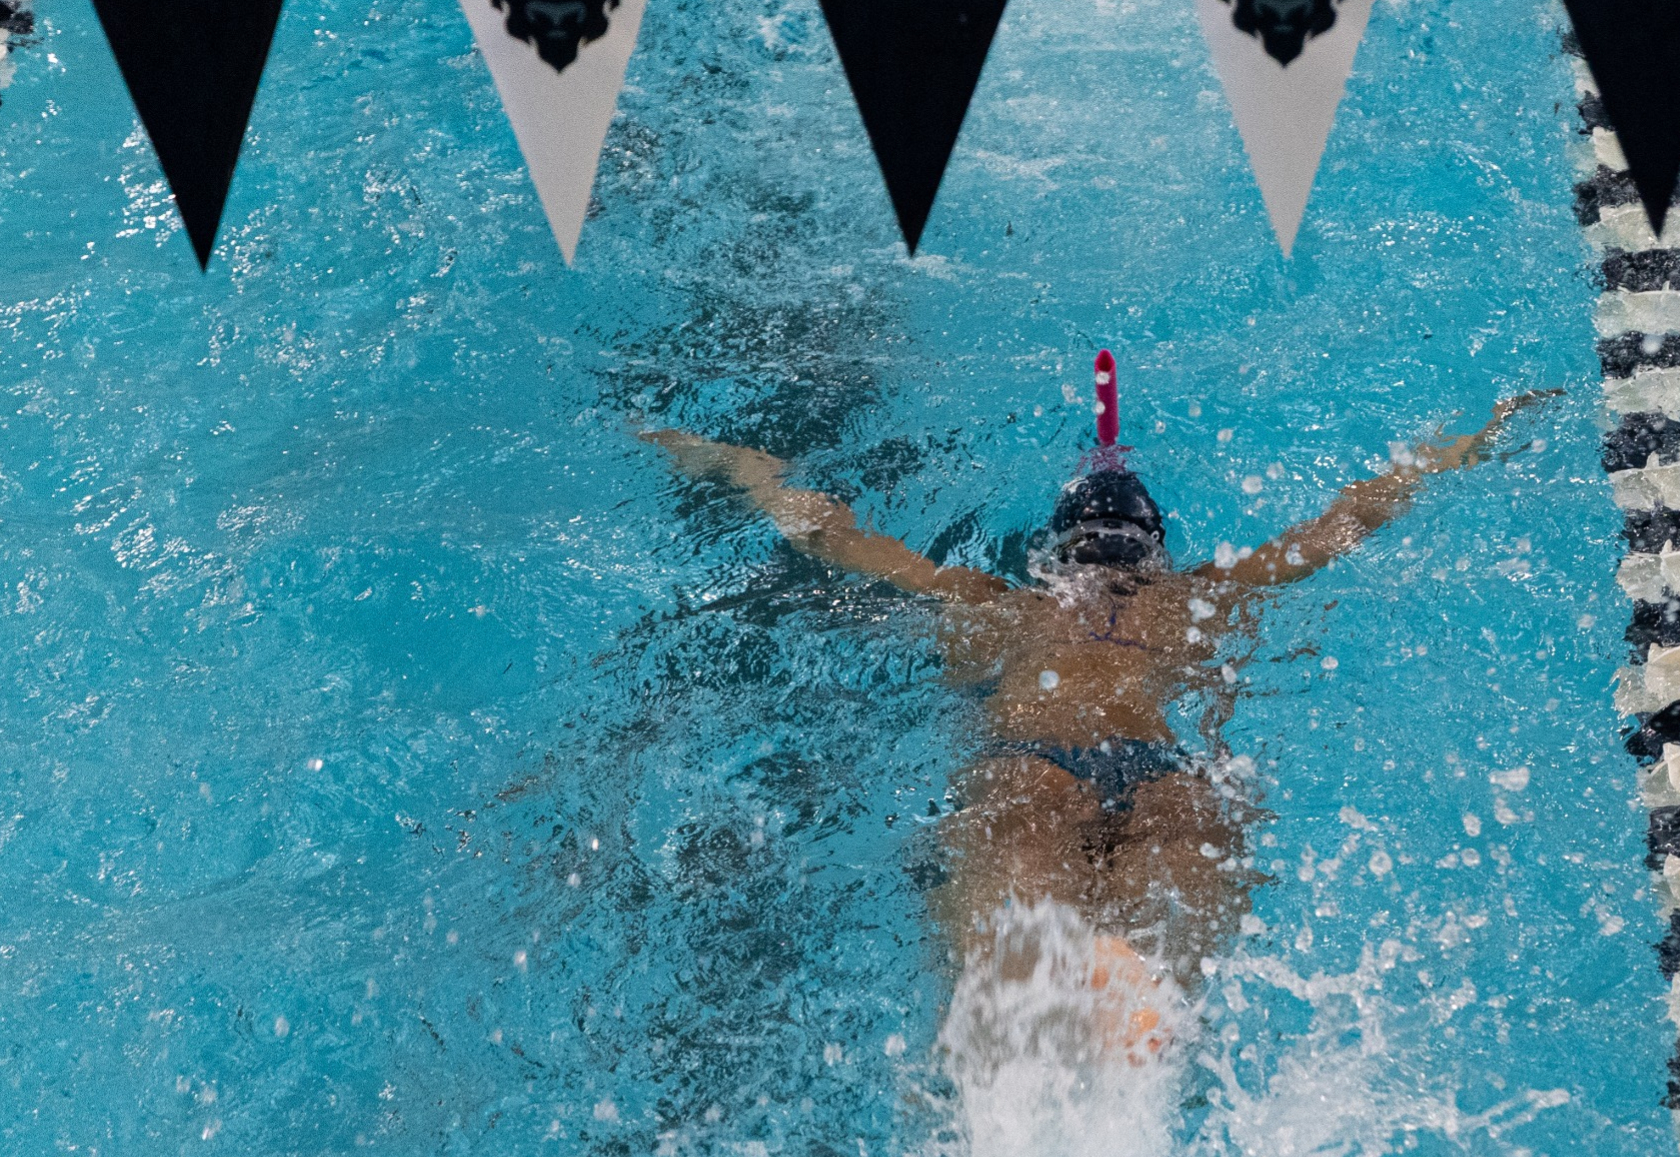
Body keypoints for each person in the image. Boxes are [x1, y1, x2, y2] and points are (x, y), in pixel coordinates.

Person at [645, 353, 1554, 1059]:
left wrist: (742, 469)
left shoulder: (996, 602)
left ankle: (1019, 1026)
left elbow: (833, 535)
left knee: (1008, 928)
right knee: (1173, 919)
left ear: (1054, 553)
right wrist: (1466, 442)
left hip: (1029, 765)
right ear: (1153, 551)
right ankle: (1141, 1004)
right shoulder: (1203, 597)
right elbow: (1344, 521)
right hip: (1165, 774)